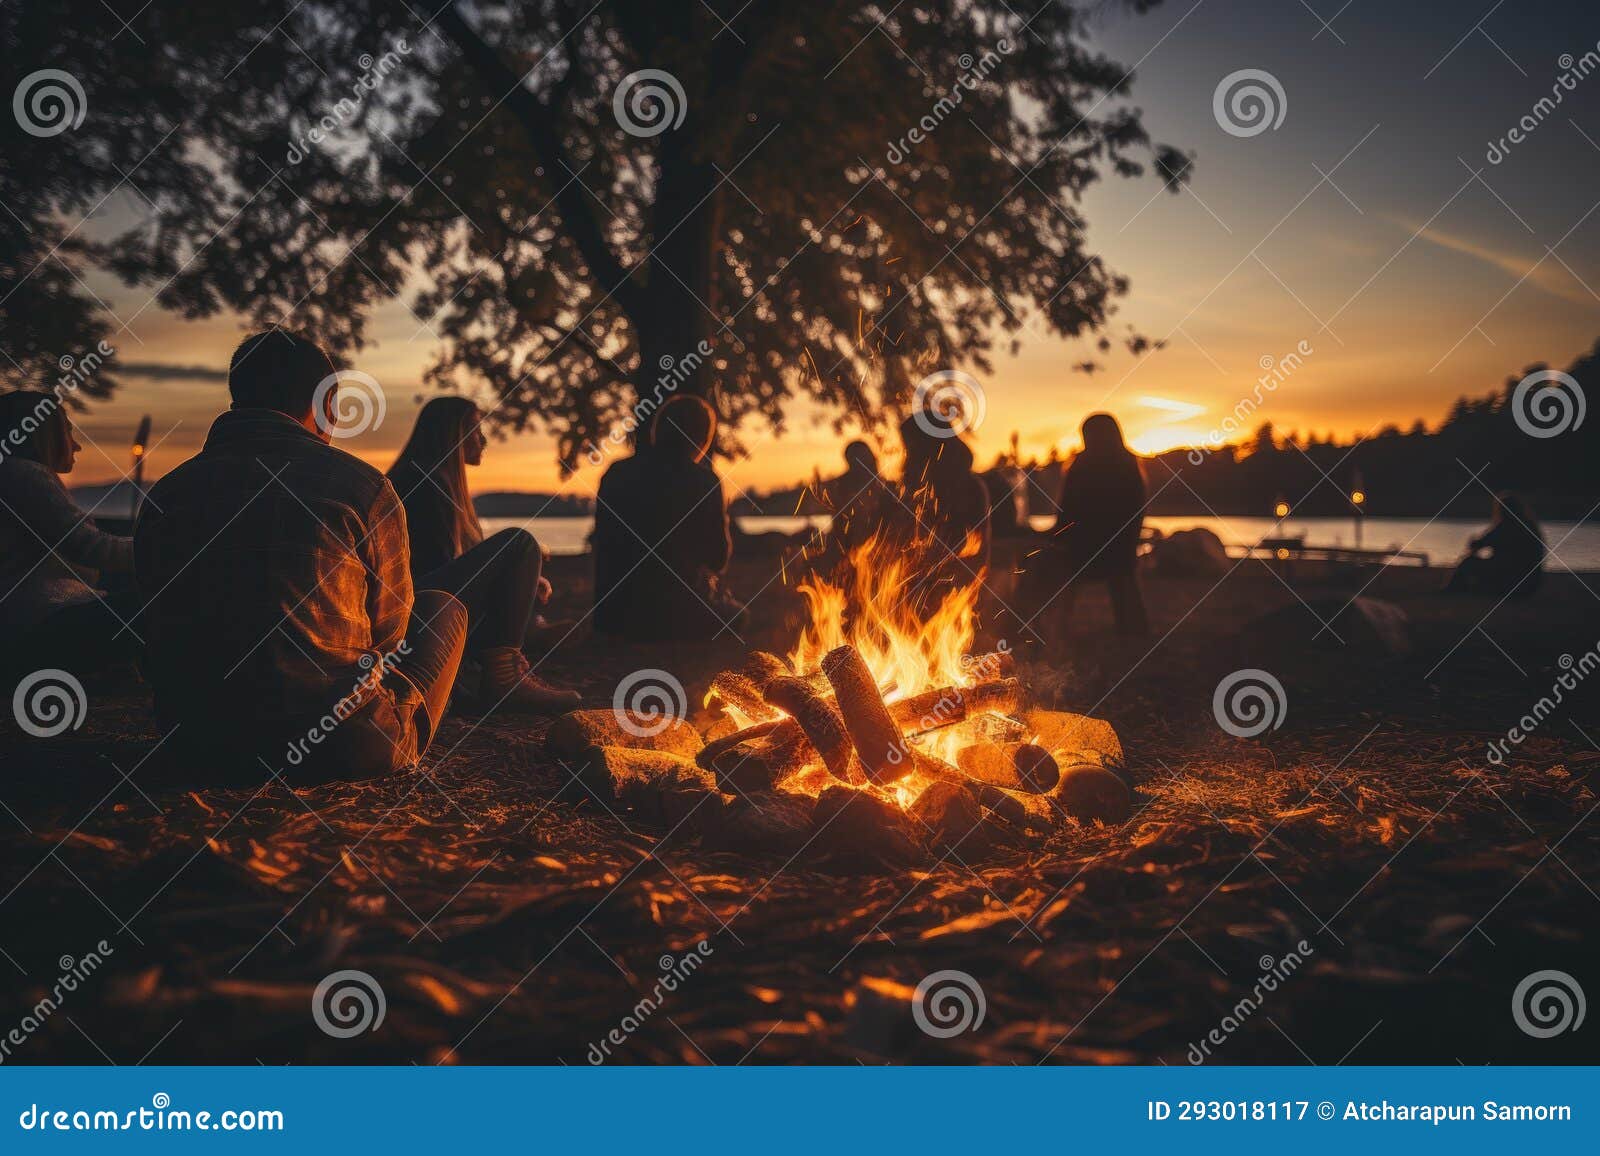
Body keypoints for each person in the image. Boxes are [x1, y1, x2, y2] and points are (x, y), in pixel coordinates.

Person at [134, 330, 474, 784]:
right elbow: (392, 636)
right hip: (341, 746)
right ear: (327, 404)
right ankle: (409, 731)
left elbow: (153, 624)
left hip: (199, 745)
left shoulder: (168, 493)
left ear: (238, 400)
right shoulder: (363, 488)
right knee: (443, 608)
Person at [385, 397, 577, 705]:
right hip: (415, 614)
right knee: (520, 543)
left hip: (422, 606)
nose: (483, 440)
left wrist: (519, 580)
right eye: (475, 431)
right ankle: (504, 676)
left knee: (518, 564)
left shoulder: (432, 479)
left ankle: (523, 639)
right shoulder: (424, 483)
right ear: (453, 436)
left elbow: (452, 568)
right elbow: (435, 582)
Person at [0, 392, 138, 676]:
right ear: (44, 436)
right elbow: (90, 547)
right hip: (33, 621)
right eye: (67, 432)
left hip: (20, 619)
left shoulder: (13, 475)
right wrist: (163, 549)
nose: (76, 446)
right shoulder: (26, 476)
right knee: (157, 606)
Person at [592, 394, 741, 641]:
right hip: (675, 618)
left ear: (656, 431)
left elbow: (603, 544)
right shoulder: (704, 481)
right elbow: (718, 559)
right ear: (702, 439)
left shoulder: (616, 473)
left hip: (612, 618)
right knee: (738, 615)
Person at [1038, 412, 1149, 636]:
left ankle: (1050, 628)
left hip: (1084, 551)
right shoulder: (1129, 464)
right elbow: (1135, 514)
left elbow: (1067, 512)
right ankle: (1133, 630)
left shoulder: (1082, 466)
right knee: (1123, 580)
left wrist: (1056, 536)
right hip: (1121, 552)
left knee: (1044, 562)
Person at [887, 412, 991, 608]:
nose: (907, 457)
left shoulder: (970, 488)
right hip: (913, 589)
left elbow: (973, 549)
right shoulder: (912, 491)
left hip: (956, 592)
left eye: (911, 449)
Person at [1444, 492, 1545, 599]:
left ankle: (1453, 589)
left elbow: (1478, 544)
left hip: (1511, 580)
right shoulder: (1530, 526)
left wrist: (1474, 542)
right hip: (1531, 584)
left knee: (1469, 562)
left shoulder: (1506, 527)